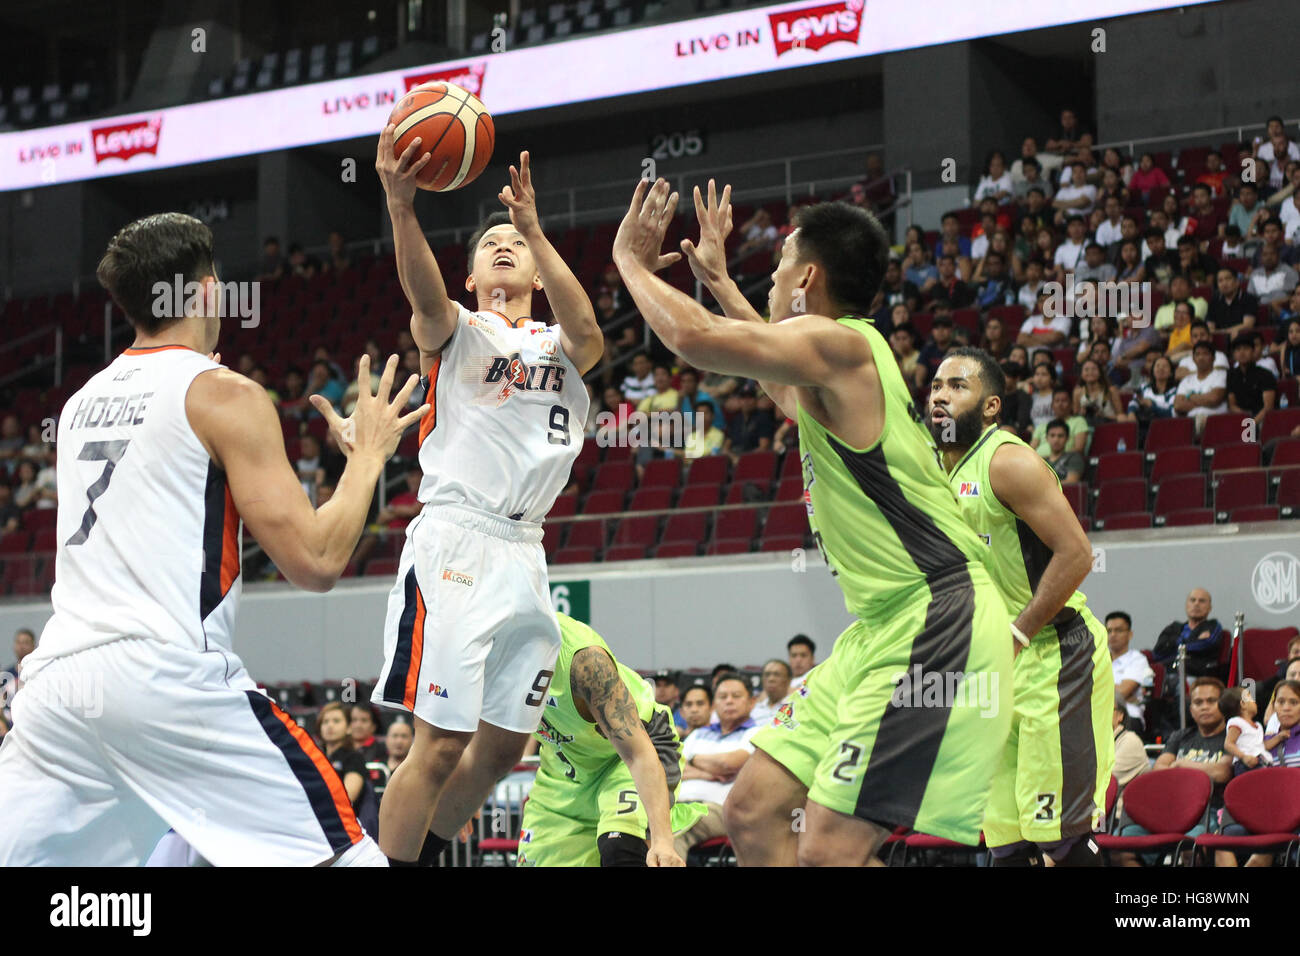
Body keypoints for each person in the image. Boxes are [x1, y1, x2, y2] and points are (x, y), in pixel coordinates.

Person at [0, 212, 421, 867]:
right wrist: (367, 455)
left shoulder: (80, 403)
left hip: (57, 688)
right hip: (164, 679)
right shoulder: (222, 395)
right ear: (205, 292)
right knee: (345, 858)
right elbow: (316, 560)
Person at [615, 179, 1012, 866]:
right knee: (752, 809)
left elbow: (692, 338)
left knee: (828, 847)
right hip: (880, 629)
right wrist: (720, 284)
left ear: (806, 280)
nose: (770, 279)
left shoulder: (843, 345)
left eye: (777, 267)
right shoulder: (842, 361)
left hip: (936, 617)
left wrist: (630, 263)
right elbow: (781, 385)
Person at [370, 132, 601, 866]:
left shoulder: (562, 343)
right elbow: (422, 295)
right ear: (469, 277)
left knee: (502, 747)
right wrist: (401, 207)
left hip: (525, 550)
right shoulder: (457, 330)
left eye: (516, 243)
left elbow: (589, 331)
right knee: (439, 744)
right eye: (490, 243)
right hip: (457, 541)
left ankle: (427, 852)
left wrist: (534, 227)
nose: (504, 245)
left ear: (538, 267)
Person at [927, 348, 1113, 866]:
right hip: (989, 666)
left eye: (957, 386)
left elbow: (1077, 554)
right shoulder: (932, 469)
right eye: (936, 385)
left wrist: (1017, 633)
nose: (940, 395)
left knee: (1062, 840)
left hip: (1052, 654)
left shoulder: (1007, 462)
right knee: (1007, 844)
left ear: (990, 406)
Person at [514, 614, 701, 867]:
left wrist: (662, 840)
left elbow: (638, 755)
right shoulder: (477, 654)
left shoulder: (585, 660)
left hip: (630, 753)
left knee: (621, 848)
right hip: (566, 766)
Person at [1112, 677, 1231, 867]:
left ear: (1224, 705)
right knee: (1121, 845)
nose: (1204, 707)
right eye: (1198, 702)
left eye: (1211, 701)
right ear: (1191, 709)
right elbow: (1159, 770)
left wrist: (1182, 764)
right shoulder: (1180, 736)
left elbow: (1222, 772)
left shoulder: (1231, 738)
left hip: (1207, 814)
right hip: (1168, 812)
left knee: (1191, 847)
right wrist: (1200, 771)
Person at [674, 672, 760, 860]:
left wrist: (692, 760)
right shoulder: (698, 734)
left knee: (670, 836)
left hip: (720, 811)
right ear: (714, 704)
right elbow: (674, 768)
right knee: (634, 828)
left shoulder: (757, 733)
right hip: (676, 804)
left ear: (752, 702)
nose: (729, 701)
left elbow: (729, 764)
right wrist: (706, 773)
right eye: (722, 697)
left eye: (736, 696)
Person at [1152, 588, 1225, 685]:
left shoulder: (1213, 626)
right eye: (1192, 600)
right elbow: (1157, 654)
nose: (1196, 604)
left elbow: (1206, 644)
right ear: (1186, 605)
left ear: (1209, 608)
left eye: (1202, 601)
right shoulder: (1173, 628)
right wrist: (1188, 642)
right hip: (1167, 674)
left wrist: (1172, 645)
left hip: (1195, 676)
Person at [1107, 612, 1153, 729]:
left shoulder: (1137, 659)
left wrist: (1098, 689)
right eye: (1109, 631)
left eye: (1118, 630)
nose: (1113, 635)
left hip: (1128, 717)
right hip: (1101, 715)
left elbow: (1121, 692)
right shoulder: (1099, 661)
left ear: (1130, 634)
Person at [1173, 341, 1229, 432]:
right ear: (1193, 359)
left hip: (1216, 423)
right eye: (1197, 354)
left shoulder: (1221, 375)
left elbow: (1214, 399)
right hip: (1191, 425)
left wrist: (1189, 396)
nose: (1201, 357)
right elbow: (1178, 405)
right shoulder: (1186, 380)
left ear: (1213, 358)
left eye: (1205, 354)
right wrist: (1205, 400)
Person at [1226, 333, 1277, 425]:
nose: (1242, 352)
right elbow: (1232, 405)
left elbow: (1268, 407)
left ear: (1253, 352)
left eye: (1246, 348)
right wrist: (1245, 418)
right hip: (1241, 419)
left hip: (1261, 419)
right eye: (1238, 349)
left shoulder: (1265, 374)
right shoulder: (1231, 375)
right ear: (1234, 354)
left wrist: (1252, 423)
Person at [750, 659, 793, 725]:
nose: (771, 679)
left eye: (777, 675)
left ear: (788, 680)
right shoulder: (753, 709)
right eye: (767, 675)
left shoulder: (796, 708)